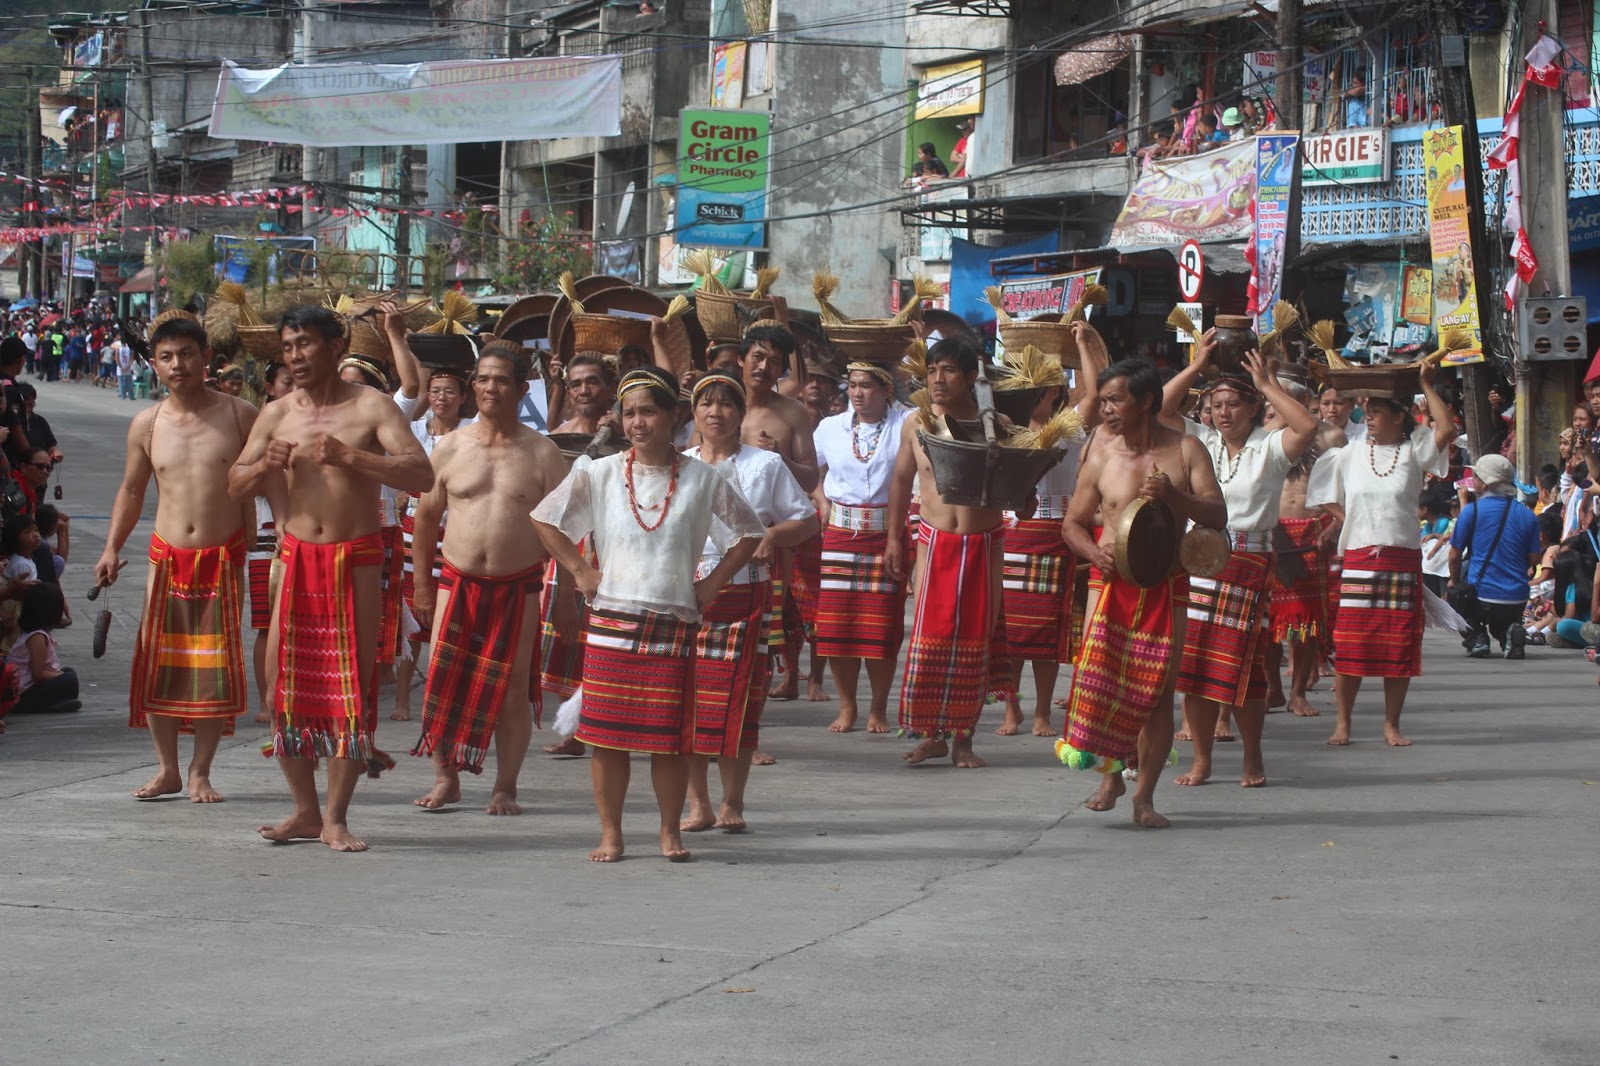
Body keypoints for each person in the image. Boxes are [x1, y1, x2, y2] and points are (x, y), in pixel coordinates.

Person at [532, 365, 765, 862]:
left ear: (672, 416)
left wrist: (712, 585)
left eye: (650, 411)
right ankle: (611, 834)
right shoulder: (598, 472)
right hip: (613, 622)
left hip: (674, 621)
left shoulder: (703, 478)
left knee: (670, 740)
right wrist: (580, 571)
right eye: (630, 412)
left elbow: (749, 533)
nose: (639, 422)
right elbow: (545, 520)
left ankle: (668, 831)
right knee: (607, 738)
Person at [228, 304, 433, 852]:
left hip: (355, 559)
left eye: (305, 344)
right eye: (288, 347)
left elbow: (421, 473)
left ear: (336, 347)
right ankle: (304, 811)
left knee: (352, 687)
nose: (295, 356)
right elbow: (234, 485)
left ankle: (337, 818)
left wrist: (352, 457)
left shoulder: (373, 406)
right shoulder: (273, 413)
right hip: (293, 558)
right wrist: (260, 466)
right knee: (280, 689)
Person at [96, 312, 257, 803]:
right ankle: (166, 768)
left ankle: (200, 772)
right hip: (165, 558)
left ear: (207, 358)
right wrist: (110, 547)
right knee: (157, 664)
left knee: (212, 669)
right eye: (166, 356)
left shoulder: (239, 415)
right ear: (153, 364)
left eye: (187, 353)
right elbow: (131, 490)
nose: (177, 364)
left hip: (222, 555)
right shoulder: (147, 424)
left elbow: (267, 482)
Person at [1058, 358, 1225, 827]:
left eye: (1116, 399)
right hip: (1108, 583)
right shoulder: (1101, 453)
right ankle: (1111, 774)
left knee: (1158, 692)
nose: (1106, 409)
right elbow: (1072, 522)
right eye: (1105, 400)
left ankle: (1144, 797)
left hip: (1166, 584)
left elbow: (1217, 515)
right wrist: (1094, 552)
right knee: (1104, 683)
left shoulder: (1188, 450)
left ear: (1147, 401)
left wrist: (1177, 498)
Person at [409, 340, 565, 814]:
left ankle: (505, 787)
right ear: (472, 386)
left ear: (522, 389)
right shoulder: (449, 448)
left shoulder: (543, 453)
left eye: (501, 379)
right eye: (482, 378)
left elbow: (564, 528)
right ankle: (445, 777)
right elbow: (425, 519)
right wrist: (420, 584)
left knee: (515, 691)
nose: (490, 387)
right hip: (455, 582)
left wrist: (570, 596)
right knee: (441, 681)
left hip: (518, 587)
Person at [1162, 346, 1319, 789]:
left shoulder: (1269, 448)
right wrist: (1195, 365)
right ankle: (1202, 760)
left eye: (1234, 403)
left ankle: (1253, 757)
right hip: (1197, 561)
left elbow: (1307, 425)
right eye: (1215, 405)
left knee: (1244, 666)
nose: (1224, 412)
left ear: (1253, 408)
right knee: (1192, 667)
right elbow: (1159, 406)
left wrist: (1268, 385)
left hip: (1249, 563)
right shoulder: (1199, 442)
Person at [680, 371, 817, 832]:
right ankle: (697, 803)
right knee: (689, 703)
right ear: (694, 414)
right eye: (706, 404)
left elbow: (807, 520)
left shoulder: (765, 466)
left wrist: (772, 535)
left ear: (740, 414)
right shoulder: (678, 466)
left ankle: (732, 803)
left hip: (746, 595)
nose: (715, 412)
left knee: (740, 700)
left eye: (726, 404)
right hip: (688, 599)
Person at [1307, 364, 1454, 747]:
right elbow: (1321, 494)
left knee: (1399, 646)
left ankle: (1392, 724)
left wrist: (1425, 384)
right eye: (1365, 410)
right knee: (1350, 644)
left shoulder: (1413, 450)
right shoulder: (1350, 454)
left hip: (1401, 560)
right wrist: (1348, 518)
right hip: (1358, 560)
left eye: (1375, 410)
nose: (1367, 416)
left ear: (1398, 416)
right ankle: (1343, 722)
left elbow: (1447, 429)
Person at [884, 337, 1013, 767]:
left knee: (974, 642)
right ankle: (931, 734)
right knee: (930, 640)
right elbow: (902, 483)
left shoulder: (997, 425)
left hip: (983, 544)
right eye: (932, 370)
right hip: (933, 543)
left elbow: (1022, 486)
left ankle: (963, 740)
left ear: (972, 377)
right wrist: (892, 539)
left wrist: (1026, 501)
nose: (938, 379)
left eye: (949, 370)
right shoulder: (915, 425)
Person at [999, 325, 1101, 737]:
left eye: (1035, 392)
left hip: (1055, 536)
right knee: (1008, 632)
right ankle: (1011, 710)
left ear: (1053, 394)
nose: (1027, 399)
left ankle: (1041, 711)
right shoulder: (1006, 429)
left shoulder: (1071, 428)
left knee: (1045, 632)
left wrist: (1081, 346)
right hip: (1013, 535)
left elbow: (1092, 395)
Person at [812, 362, 912, 732]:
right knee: (838, 627)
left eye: (867, 385)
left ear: (886, 390)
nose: (857, 393)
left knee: (881, 627)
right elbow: (810, 473)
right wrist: (821, 500)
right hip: (840, 536)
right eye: (852, 385)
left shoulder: (906, 423)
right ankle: (847, 706)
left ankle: (878, 708)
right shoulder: (828, 429)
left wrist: (896, 538)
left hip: (887, 535)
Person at [539, 352, 619, 757]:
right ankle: (572, 729)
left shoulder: (626, 436)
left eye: (592, 382)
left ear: (608, 388)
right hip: (567, 549)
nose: (585, 390)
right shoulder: (557, 438)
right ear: (567, 391)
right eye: (576, 384)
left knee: (605, 640)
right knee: (568, 640)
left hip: (614, 550)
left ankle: (600, 727)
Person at [392, 352, 472, 723]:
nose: (442, 397)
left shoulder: (473, 433)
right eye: (436, 391)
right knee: (412, 614)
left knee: (450, 615)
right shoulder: (412, 430)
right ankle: (403, 701)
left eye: (449, 391)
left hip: (456, 530)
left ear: (461, 397)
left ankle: (444, 700)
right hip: (413, 531)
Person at [1448, 454, 1542, 659]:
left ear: (1485, 483)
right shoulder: (1528, 514)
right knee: (1503, 624)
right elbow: (1535, 558)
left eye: (1476, 476)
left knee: (1456, 596)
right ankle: (1509, 633)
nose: (1473, 481)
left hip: (1481, 594)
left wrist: (1454, 582)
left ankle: (1477, 637)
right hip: (1517, 595)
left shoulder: (1471, 511)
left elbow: (1454, 555)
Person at [248, 361, 296, 723]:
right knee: (267, 624)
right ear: (270, 386)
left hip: (307, 534)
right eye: (287, 382)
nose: (293, 388)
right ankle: (267, 699)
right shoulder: (262, 424)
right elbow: (240, 481)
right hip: (267, 535)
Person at [6, 583, 78, 714]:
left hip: (27, 689)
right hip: (21, 696)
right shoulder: (37, 637)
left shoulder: (36, 633)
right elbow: (38, 675)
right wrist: (60, 676)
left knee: (69, 672)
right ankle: (49, 704)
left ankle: (56, 703)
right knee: (70, 678)